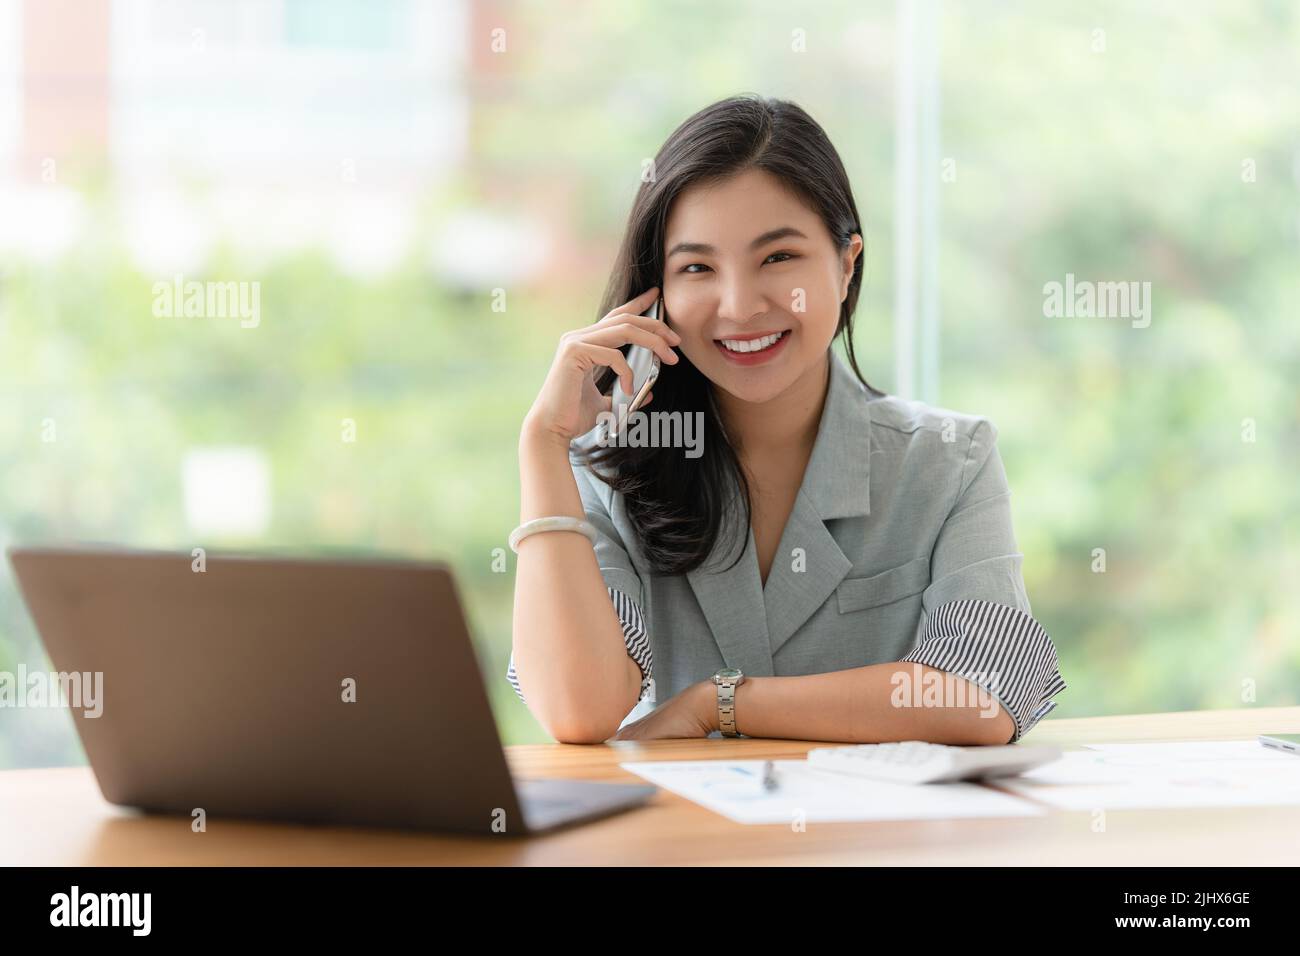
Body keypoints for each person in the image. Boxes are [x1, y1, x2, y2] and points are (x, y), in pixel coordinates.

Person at [507, 94, 1066, 745]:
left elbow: (979, 694)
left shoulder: (948, 460)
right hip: (680, 843)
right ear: (654, 292)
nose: (740, 307)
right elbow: (578, 709)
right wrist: (542, 444)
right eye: (697, 268)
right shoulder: (610, 467)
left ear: (847, 262)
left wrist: (717, 705)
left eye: (777, 258)